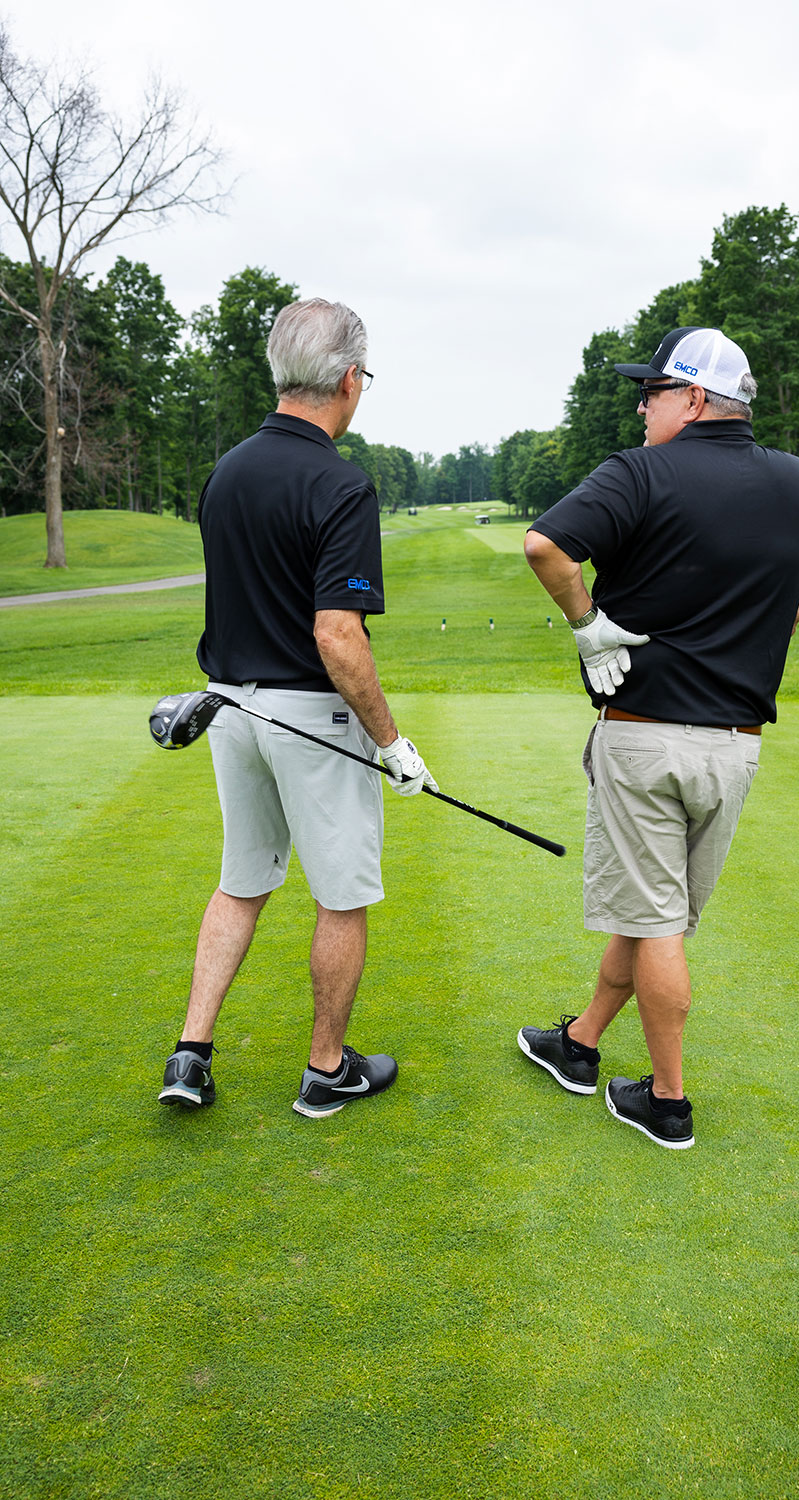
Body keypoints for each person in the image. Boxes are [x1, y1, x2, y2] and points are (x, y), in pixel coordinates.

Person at [517, 327, 799, 1149]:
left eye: (654, 391)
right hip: (735, 750)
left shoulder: (640, 472)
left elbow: (545, 546)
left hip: (643, 740)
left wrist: (587, 624)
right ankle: (582, 1043)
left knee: (657, 921)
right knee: (655, 910)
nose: (641, 405)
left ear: (695, 398)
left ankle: (667, 1102)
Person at [158, 298, 436, 1119]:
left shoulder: (229, 470)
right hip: (311, 718)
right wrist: (393, 743)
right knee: (340, 896)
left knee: (241, 882)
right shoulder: (341, 484)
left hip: (228, 709)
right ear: (349, 379)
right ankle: (325, 1071)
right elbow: (338, 636)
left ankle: (191, 1054)